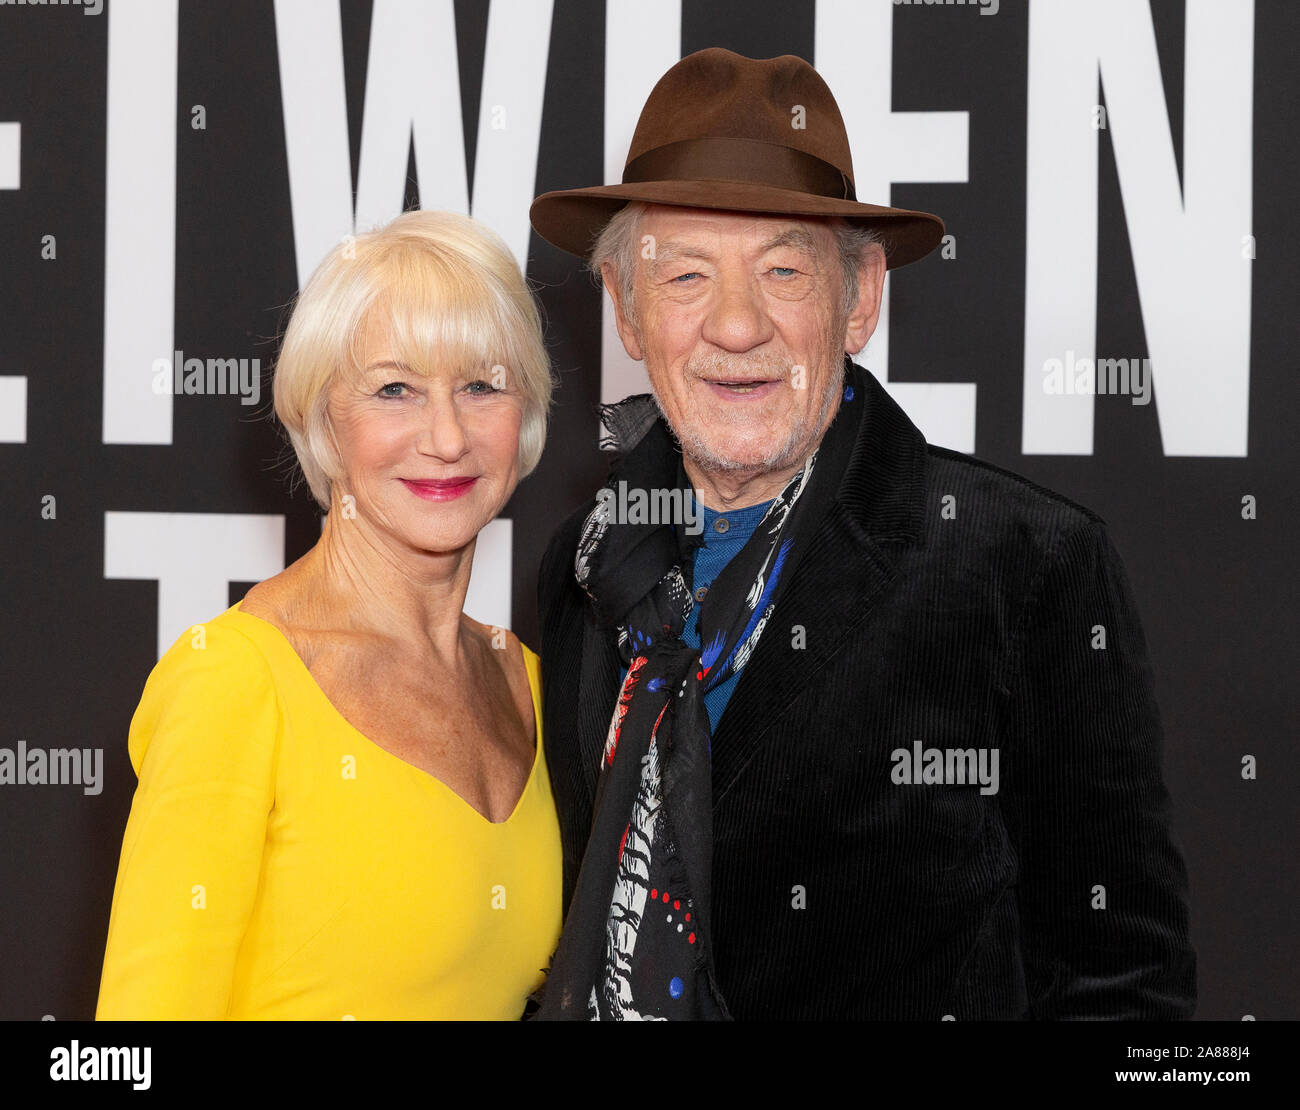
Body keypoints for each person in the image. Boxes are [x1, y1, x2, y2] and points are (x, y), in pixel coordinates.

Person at [527, 47, 1196, 1020]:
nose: (736, 325)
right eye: (684, 278)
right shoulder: (586, 570)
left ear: (862, 297)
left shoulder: (1026, 570)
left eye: (783, 270)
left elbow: (1124, 986)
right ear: (626, 312)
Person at [96, 210, 559, 1019]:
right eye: (394, 390)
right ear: (321, 421)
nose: (447, 436)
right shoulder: (236, 681)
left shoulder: (533, 683)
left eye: (482, 384)